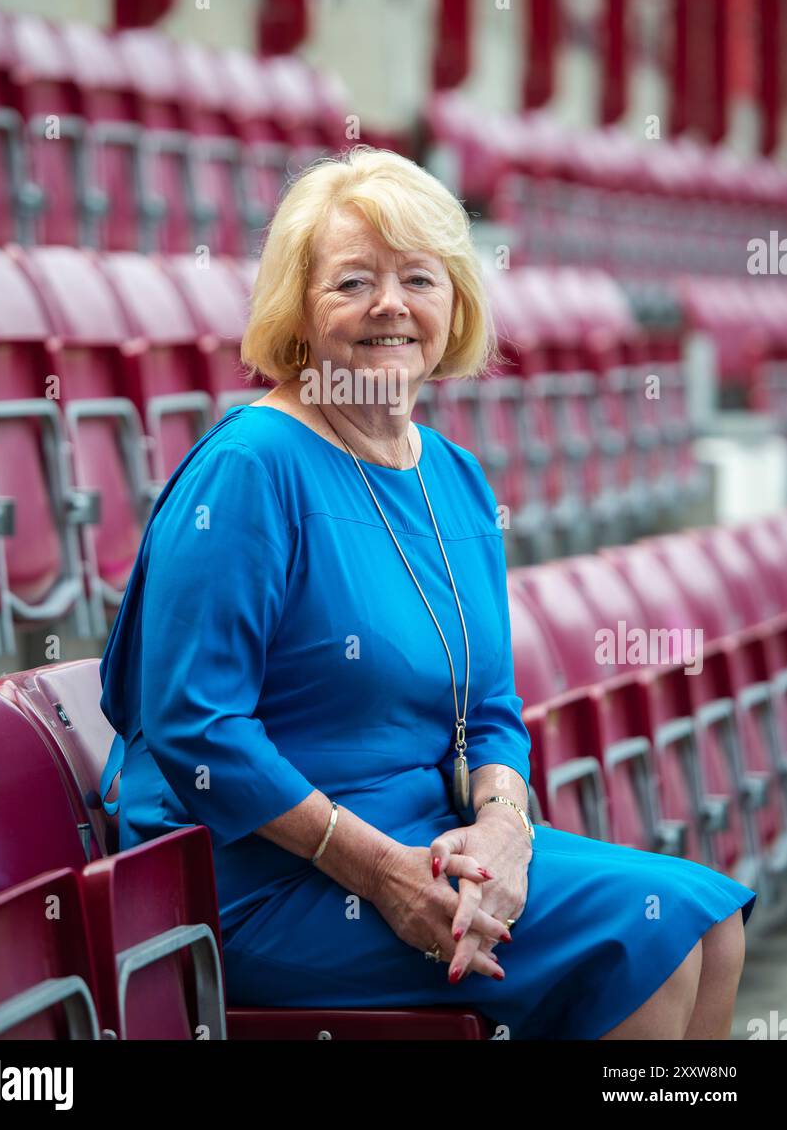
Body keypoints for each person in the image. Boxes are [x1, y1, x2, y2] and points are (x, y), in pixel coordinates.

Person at [98, 146, 756, 1039]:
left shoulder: (454, 475)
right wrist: (380, 873)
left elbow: (487, 705)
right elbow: (195, 728)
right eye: (352, 282)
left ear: (455, 304)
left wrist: (504, 834)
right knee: (647, 945)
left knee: (711, 927)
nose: (390, 306)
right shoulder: (251, 470)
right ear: (297, 308)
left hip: (432, 840)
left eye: (419, 277)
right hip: (268, 875)